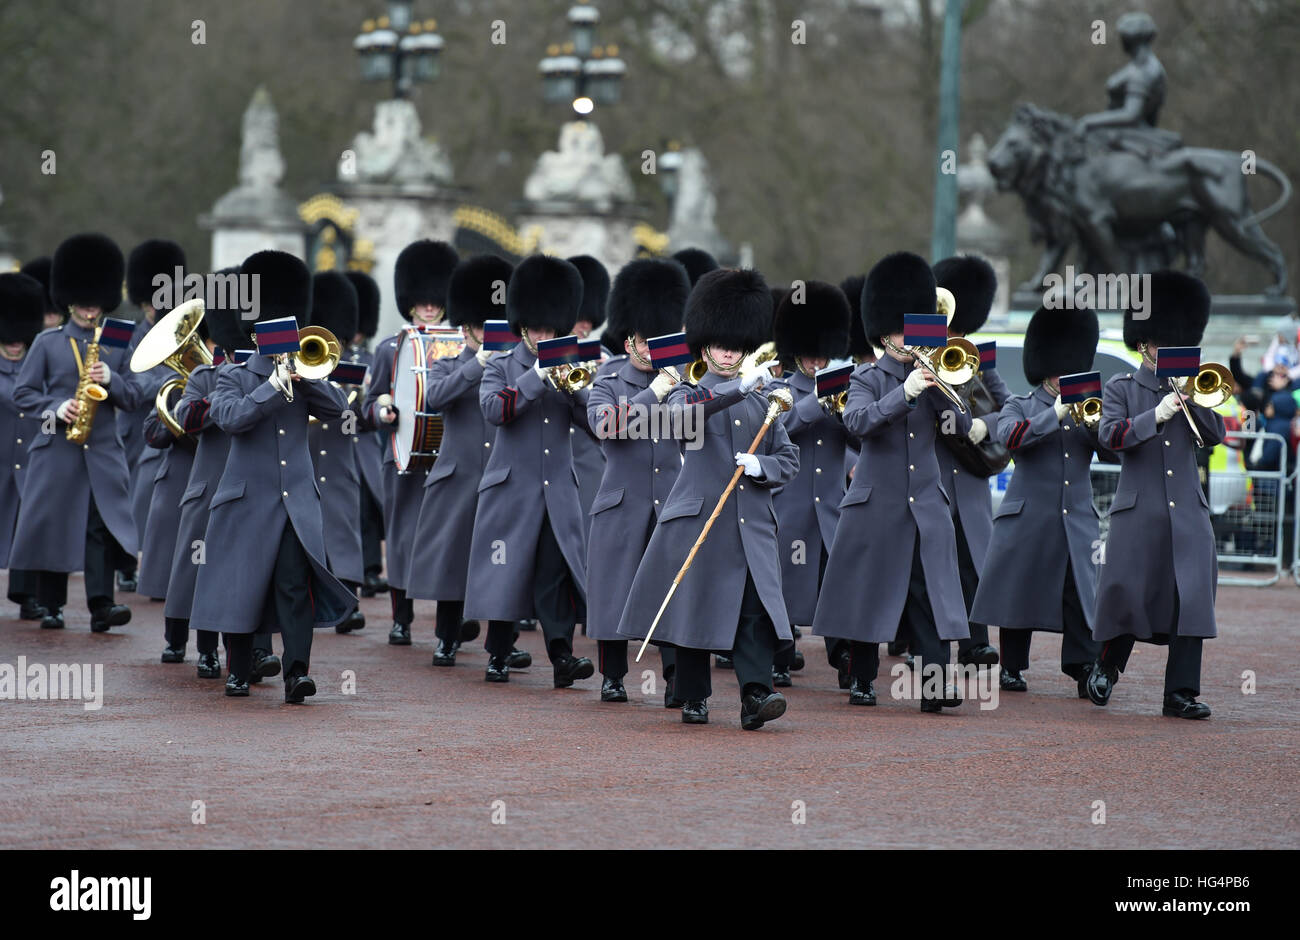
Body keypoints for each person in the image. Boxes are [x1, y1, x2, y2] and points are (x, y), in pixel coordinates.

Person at [618, 267, 797, 730]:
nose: (729, 351)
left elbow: (789, 458)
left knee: (753, 612)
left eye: (736, 345)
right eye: (721, 344)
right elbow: (679, 421)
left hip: (750, 524)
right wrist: (738, 388)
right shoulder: (687, 392)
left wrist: (764, 468)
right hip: (699, 519)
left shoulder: (766, 402)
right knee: (695, 609)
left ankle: (756, 695)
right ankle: (693, 695)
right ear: (704, 347)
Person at [189, 251, 356, 702]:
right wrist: (271, 387)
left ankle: (296, 673)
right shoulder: (235, 377)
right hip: (247, 500)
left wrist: (305, 377)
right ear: (256, 332)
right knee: (244, 587)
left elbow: (340, 411)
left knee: (293, 588)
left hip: (296, 502)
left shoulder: (303, 372)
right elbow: (231, 419)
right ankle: (239, 670)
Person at [812, 252, 970, 711]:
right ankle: (862, 678)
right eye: (902, 330)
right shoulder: (865, 377)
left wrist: (944, 389)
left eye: (915, 328)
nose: (910, 338)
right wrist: (905, 393)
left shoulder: (937, 373)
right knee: (871, 590)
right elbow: (858, 422)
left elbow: (961, 429)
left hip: (926, 502)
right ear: (883, 334)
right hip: (877, 502)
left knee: (930, 594)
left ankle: (936, 684)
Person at [1089, 270, 1223, 719]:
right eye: (1162, 341)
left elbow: (1216, 435)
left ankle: (1180, 692)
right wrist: (1156, 415)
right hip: (1138, 509)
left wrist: (1192, 399)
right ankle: (1107, 667)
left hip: (1187, 509)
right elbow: (1111, 436)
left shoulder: (1192, 386)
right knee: (1127, 594)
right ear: (1145, 343)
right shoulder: (1121, 388)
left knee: (1192, 597)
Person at [463, 254, 597, 688]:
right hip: (512, 488)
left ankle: (562, 657)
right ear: (522, 326)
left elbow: (594, 428)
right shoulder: (502, 365)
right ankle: (498, 654)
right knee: (507, 571)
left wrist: (579, 392)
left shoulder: (568, 365)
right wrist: (537, 378)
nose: (542, 336)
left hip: (557, 488)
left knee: (553, 574)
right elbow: (493, 411)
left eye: (549, 329)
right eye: (536, 329)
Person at [970, 305, 1108, 695]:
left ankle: (1082, 666)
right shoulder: (1020, 404)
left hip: (1076, 515)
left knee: (1080, 593)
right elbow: (1012, 438)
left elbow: (1114, 451)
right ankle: (1012, 666)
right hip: (1028, 514)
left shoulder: (1089, 407)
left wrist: (1096, 424)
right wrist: (1057, 413)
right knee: (1020, 591)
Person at [10, 233, 140, 633]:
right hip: (57, 449)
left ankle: (102, 605)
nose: (89, 307)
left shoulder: (118, 338)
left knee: (98, 527)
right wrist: (56, 406)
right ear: (69, 299)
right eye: (83, 301)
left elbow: (135, 395)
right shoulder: (48, 343)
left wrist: (112, 378)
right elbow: (23, 392)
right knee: (54, 524)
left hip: (101, 450)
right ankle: (52, 605)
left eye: (95, 301)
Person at [586, 258, 691, 703]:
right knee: (614, 591)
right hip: (622, 499)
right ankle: (612, 676)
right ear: (629, 339)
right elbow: (605, 426)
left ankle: (674, 679)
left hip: (669, 499)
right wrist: (654, 394)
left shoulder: (683, 381)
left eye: (659, 340)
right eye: (646, 340)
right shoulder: (607, 380)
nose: (652, 348)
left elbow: (694, 432)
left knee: (670, 592)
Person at [406, 254, 519, 668]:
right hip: (459, 475)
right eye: (476, 327)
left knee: (501, 561)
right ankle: (447, 638)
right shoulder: (447, 363)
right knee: (451, 563)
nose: (482, 334)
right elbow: (436, 398)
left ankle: (500, 646)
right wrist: (478, 363)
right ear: (466, 328)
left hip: (500, 476)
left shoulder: (511, 368)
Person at [363, 240, 460, 645]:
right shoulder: (390, 348)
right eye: (421, 301)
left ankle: (448, 623)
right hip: (403, 455)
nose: (429, 307)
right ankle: (400, 617)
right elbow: (370, 403)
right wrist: (383, 413)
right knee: (402, 538)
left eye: (435, 300)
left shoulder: (459, 346)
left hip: (448, 457)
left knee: (447, 540)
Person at [162, 270, 248, 681]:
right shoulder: (202, 375)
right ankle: (205, 650)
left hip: (248, 486)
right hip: (210, 485)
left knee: (246, 572)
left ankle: (248, 653)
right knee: (201, 570)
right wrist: (224, 399)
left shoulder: (262, 375)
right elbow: (188, 418)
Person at [768, 281, 852, 689]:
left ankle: (846, 658)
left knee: (837, 582)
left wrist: (844, 409)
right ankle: (779, 656)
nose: (818, 361)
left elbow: (862, 435)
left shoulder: (845, 388)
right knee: (784, 583)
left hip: (832, 505)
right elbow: (776, 428)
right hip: (791, 504)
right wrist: (816, 401)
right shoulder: (778, 388)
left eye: (823, 353)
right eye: (811, 354)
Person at [932, 255, 1008, 668]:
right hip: (933, 474)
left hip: (971, 477)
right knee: (931, 562)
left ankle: (974, 641)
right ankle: (925, 643)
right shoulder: (922, 352)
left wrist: (985, 424)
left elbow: (1010, 406)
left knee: (971, 563)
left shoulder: (981, 356)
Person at [137, 307, 210, 660]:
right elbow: (152, 433)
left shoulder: (227, 380)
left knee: (213, 568)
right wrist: (180, 413)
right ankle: (175, 639)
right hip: (179, 479)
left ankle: (211, 649)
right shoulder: (176, 388)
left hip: (214, 479)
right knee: (175, 565)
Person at [120, 239, 188, 598]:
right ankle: (126, 564)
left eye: (155, 302)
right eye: (146, 303)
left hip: (173, 423)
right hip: (134, 426)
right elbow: (128, 379)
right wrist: (165, 381)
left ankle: (163, 568)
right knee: (132, 497)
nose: (150, 310)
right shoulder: (125, 332)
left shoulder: (183, 331)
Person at [307, 271, 367, 634]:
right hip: (307, 449)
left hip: (340, 453)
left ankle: (349, 595)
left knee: (343, 522)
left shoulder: (357, 365)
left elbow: (362, 414)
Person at [1, 272, 47, 621]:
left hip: (30, 459)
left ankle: (26, 593)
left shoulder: (38, 363)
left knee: (29, 528)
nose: (14, 343)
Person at [344, 270, 388, 599]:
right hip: (339, 444)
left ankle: (371, 569)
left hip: (367, 444)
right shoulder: (331, 356)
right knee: (349, 508)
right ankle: (349, 571)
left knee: (370, 508)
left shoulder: (372, 359)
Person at [567, 255, 611, 523]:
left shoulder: (602, 356)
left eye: (589, 318)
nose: (585, 325)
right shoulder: (539, 360)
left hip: (591, 472)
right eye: (579, 316)